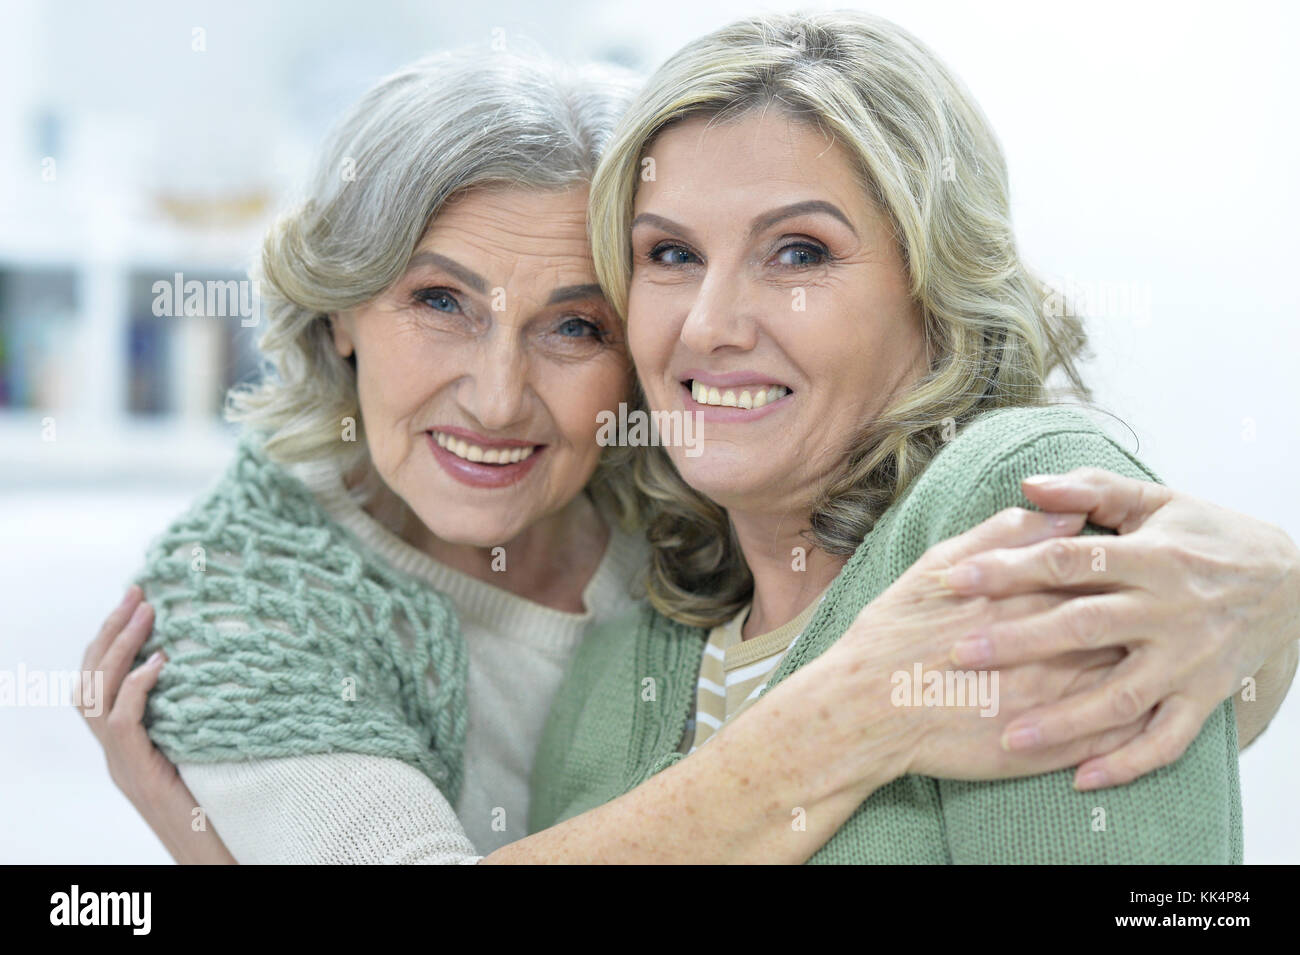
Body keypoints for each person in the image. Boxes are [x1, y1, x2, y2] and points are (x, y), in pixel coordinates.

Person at [81, 37, 1298, 864]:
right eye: (437, 302)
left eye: (574, 323)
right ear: (338, 310)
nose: (501, 399)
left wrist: (1275, 591)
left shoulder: (969, 506)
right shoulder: (629, 630)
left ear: (932, 287)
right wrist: (848, 719)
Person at [522, 10, 1299, 862]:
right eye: (671, 254)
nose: (709, 327)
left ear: (934, 290)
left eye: (798, 253)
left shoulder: (1020, 507)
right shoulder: (614, 657)